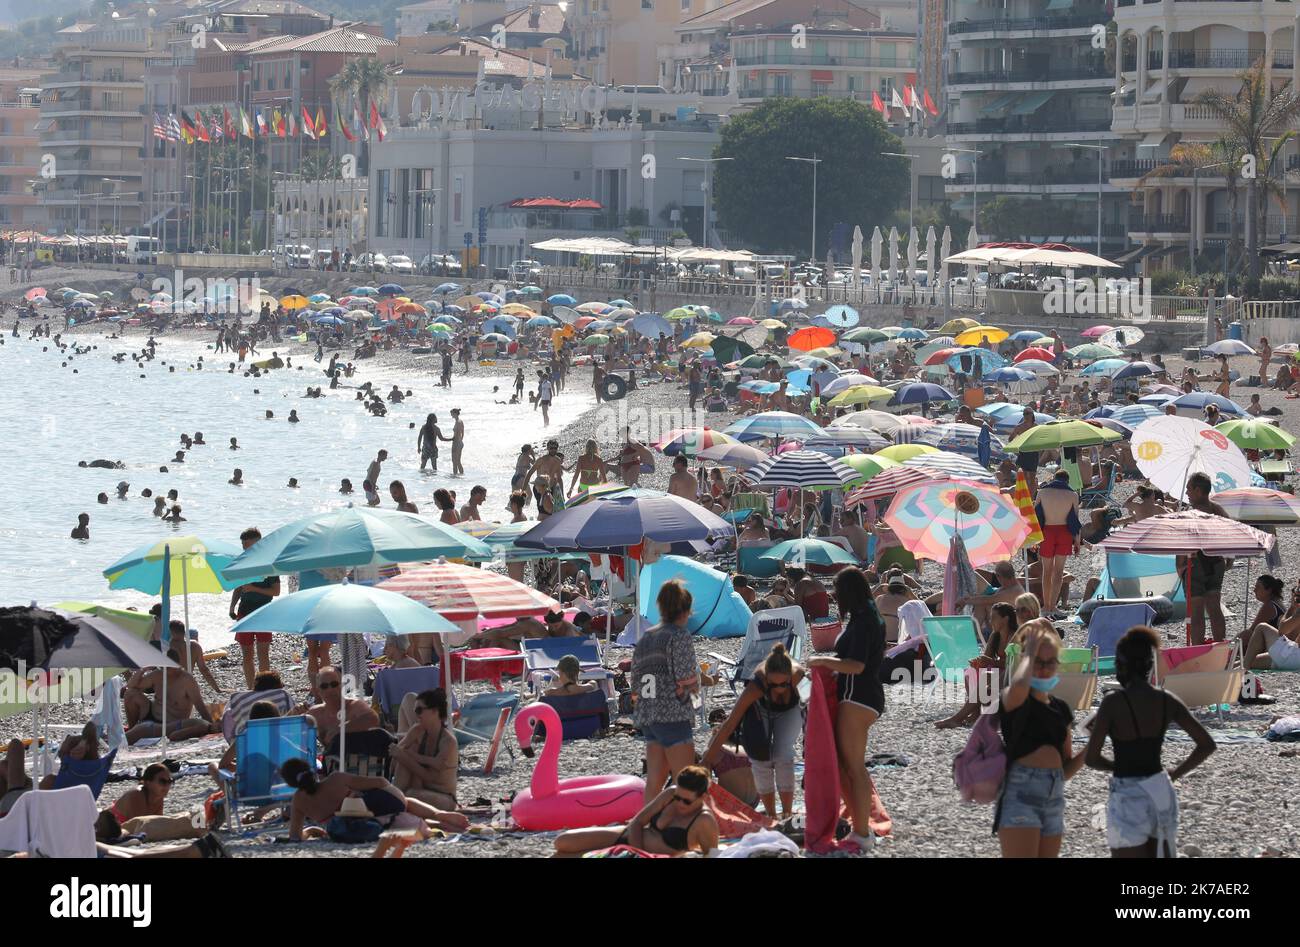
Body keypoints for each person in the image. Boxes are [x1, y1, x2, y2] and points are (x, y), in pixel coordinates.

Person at [1084, 626, 1216, 857]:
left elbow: (1092, 758)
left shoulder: (1113, 703)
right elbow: (1206, 744)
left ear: (1122, 665)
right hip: (1160, 788)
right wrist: (1175, 773)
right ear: (1148, 664)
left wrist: (1116, 766)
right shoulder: (1167, 700)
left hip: (1127, 791)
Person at [803, 567, 884, 852]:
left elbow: (857, 666)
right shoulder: (866, 614)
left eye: (837, 589)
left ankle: (863, 832)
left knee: (854, 768)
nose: (834, 596)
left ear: (848, 591)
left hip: (859, 697)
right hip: (863, 696)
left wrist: (822, 662)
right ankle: (860, 828)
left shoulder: (863, 621)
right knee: (847, 766)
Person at [993, 619, 1086, 858]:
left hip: (1054, 794)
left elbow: (1065, 769)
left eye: (1050, 662)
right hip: (1020, 792)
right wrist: (1029, 651)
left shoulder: (1061, 709)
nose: (1043, 668)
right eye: (1037, 662)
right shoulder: (1015, 699)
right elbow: (1019, 686)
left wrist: (1092, 745)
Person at [703, 643, 804, 818]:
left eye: (784, 684)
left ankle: (787, 813)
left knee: (783, 754)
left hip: (790, 710)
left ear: (791, 679)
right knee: (760, 758)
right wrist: (706, 759)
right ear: (766, 680)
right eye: (774, 685)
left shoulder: (800, 678)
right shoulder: (755, 686)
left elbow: (816, 714)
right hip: (762, 709)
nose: (779, 689)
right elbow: (730, 724)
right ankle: (772, 814)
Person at [278, 757, 466, 841]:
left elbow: (295, 837)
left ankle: (436, 822)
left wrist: (310, 830)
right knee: (404, 804)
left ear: (291, 783)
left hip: (365, 821)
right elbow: (380, 781)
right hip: (385, 803)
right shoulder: (336, 779)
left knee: (390, 816)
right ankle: (440, 815)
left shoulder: (299, 802)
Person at [632, 579, 700, 802]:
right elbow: (686, 678)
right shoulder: (679, 636)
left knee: (655, 780)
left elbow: (637, 680)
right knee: (687, 779)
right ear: (686, 610)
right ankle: (688, 827)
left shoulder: (646, 636)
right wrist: (699, 685)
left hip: (649, 714)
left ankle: (646, 825)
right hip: (672, 714)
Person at [553, 765, 719, 857]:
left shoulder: (704, 821)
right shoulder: (671, 793)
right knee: (562, 842)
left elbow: (711, 855)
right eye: (678, 797)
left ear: (703, 797)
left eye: (687, 801)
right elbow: (638, 821)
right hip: (629, 840)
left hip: (648, 855)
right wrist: (637, 851)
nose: (680, 803)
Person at [123, 647, 217, 744]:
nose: (166, 671)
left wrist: (211, 725)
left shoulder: (186, 680)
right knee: (131, 694)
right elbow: (131, 685)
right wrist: (144, 668)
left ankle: (132, 734)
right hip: (151, 714)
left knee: (140, 731)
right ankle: (132, 728)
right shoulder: (157, 675)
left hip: (171, 723)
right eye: (163, 667)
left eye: (168, 668)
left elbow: (199, 705)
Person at [1181, 472, 1229, 644]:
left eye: (1189, 488)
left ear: (1198, 490)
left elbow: (1182, 541)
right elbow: (1231, 533)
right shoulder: (1217, 509)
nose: (1186, 492)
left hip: (1195, 564)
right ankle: (1221, 647)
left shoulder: (1191, 513)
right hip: (1216, 562)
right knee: (1215, 608)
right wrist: (1229, 558)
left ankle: (1198, 651)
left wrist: (1179, 565)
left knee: (1197, 612)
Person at [391, 688, 458, 810]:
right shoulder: (417, 730)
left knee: (409, 795)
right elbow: (395, 760)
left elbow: (430, 777)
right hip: (420, 788)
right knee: (407, 753)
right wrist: (402, 754)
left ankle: (395, 800)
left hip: (444, 796)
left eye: (419, 710)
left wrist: (407, 756)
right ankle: (395, 798)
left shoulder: (448, 741)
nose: (416, 715)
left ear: (434, 711)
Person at [104, 762, 207, 842]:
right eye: (162, 781)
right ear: (148, 782)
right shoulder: (137, 794)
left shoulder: (157, 796)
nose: (167, 786)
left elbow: (154, 822)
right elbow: (139, 826)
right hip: (107, 827)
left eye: (170, 781)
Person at [229, 527, 280, 689]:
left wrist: (254, 588)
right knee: (246, 654)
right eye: (243, 547)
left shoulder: (269, 563)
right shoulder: (244, 562)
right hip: (244, 611)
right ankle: (252, 688)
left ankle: (265, 687)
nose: (245, 550)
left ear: (258, 543)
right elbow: (239, 587)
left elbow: (276, 591)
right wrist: (232, 606)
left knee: (263, 653)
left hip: (264, 611)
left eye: (248, 546)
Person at [1035, 469, 1081, 620]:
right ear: (1067, 481)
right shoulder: (1073, 495)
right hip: (1064, 533)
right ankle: (1053, 606)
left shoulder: (1042, 492)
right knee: (1058, 572)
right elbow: (1075, 520)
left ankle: (1046, 607)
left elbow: (1036, 515)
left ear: (1054, 478)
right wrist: (1077, 540)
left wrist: (1034, 538)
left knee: (1046, 571)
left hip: (1047, 531)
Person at [304, 665, 380, 748]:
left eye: (334, 684)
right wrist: (293, 712)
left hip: (357, 757)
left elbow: (373, 719)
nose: (330, 690)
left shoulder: (354, 706)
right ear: (318, 691)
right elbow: (293, 733)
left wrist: (342, 729)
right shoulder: (316, 713)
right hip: (332, 758)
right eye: (324, 686)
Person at [450, 407, 465, 476]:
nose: (451, 415)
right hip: (460, 442)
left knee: (454, 461)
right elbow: (462, 433)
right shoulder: (460, 421)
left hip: (456, 443)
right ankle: (461, 475)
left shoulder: (458, 422)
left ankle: (455, 476)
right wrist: (460, 440)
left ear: (455, 413)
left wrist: (451, 440)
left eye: (452, 413)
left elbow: (455, 435)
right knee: (458, 461)